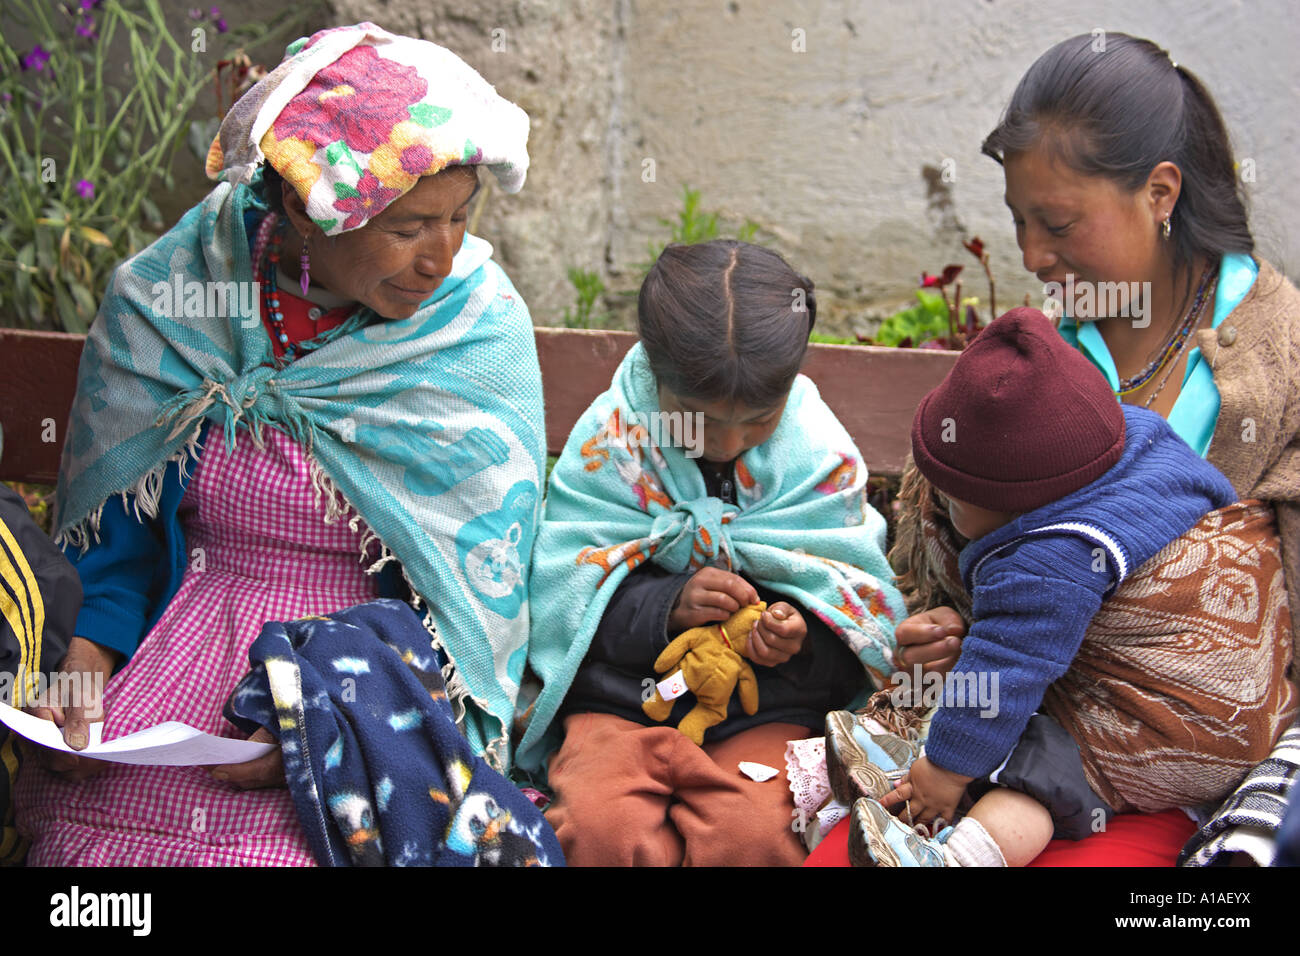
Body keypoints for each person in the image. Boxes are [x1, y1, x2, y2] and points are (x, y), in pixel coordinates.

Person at [15, 23, 545, 866]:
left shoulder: (472, 336)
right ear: (305, 210)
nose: (443, 257)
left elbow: (468, 597)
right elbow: (121, 534)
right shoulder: (182, 299)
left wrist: (329, 721)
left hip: (365, 674)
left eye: (460, 217)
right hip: (178, 654)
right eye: (408, 227)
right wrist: (82, 664)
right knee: (98, 844)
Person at [886, 31, 1300, 867]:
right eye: (1018, 223)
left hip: (1195, 768)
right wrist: (942, 629)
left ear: (1160, 192)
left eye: (1060, 223)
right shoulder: (1026, 364)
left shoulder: (1279, 359)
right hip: (1007, 739)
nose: (1033, 256)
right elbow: (978, 568)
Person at [842, 309, 1294, 867]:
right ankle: (900, 753)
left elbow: (1004, 669)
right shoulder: (1141, 437)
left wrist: (944, 771)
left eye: (955, 505)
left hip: (1178, 730)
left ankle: (959, 855)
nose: (945, 513)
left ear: (1022, 509)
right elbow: (1218, 496)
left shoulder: (1047, 555)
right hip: (1252, 686)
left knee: (1039, 766)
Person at [515, 239, 910, 866]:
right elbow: (563, 587)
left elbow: (854, 600)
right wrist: (664, 606)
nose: (727, 442)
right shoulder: (612, 442)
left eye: (758, 420)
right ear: (654, 371)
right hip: (620, 704)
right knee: (600, 829)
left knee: (752, 836)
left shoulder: (816, 455)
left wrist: (796, 636)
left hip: (766, 714)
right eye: (696, 418)